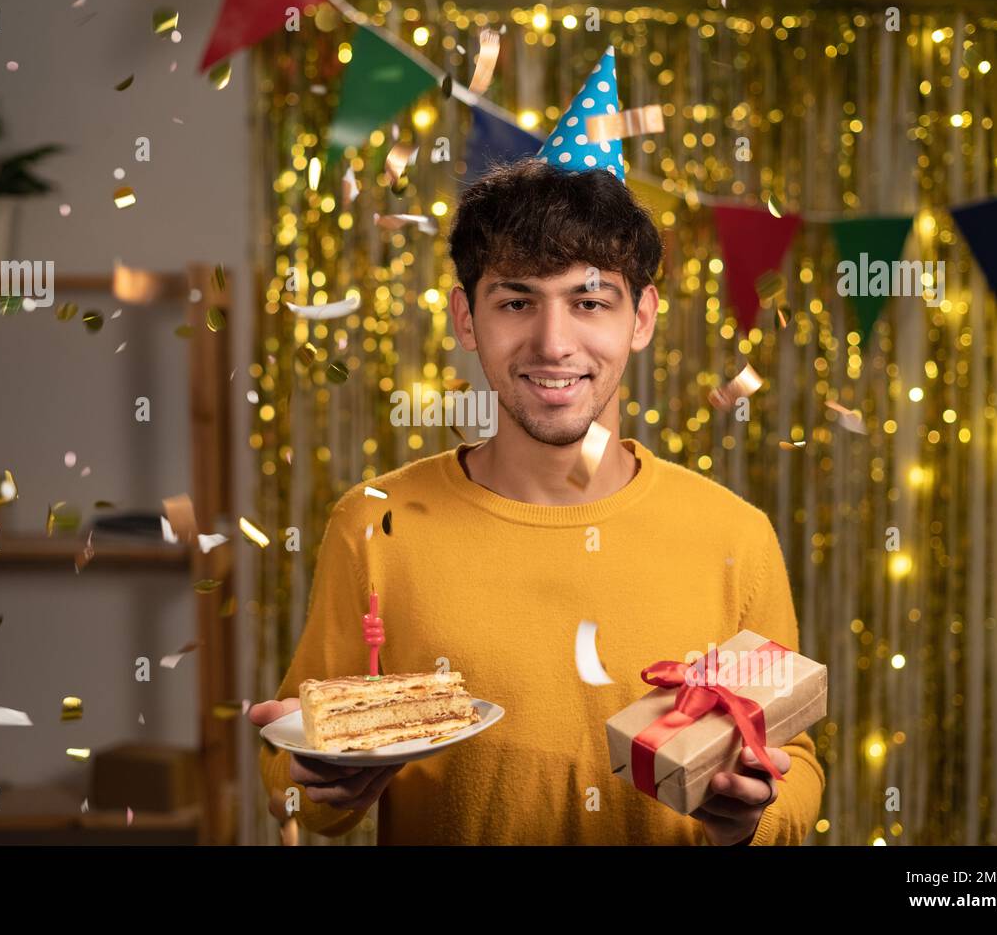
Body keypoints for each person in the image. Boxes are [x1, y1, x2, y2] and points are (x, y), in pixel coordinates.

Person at [247, 157, 824, 844]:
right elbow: (298, 774)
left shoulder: (734, 534)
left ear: (640, 318)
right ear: (467, 318)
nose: (553, 344)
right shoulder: (375, 522)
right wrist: (313, 785)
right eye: (517, 302)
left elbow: (797, 767)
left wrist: (753, 819)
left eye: (589, 302)